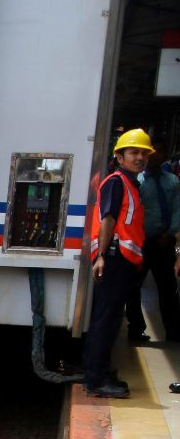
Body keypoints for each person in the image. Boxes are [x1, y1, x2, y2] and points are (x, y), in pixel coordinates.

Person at [84, 128, 153, 398]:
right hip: (113, 259)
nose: (140, 158)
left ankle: (100, 372)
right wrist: (101, 255)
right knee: (106, 319)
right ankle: (96, 379)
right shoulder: (116, 182)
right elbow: (108, 219)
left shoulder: (130, 183)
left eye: (144, 153)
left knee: (111, 319)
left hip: (122, 261)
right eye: (134, 152)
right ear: (120, 157)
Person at [125, 146, 180, 343]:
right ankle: (135, 328)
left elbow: (177, 210)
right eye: (151, 154)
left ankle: (173, 331)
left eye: (158, 154)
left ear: (163, 156)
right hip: (142, 241)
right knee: (133, 286)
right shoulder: (137, 181)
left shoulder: (173, 181)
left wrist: (170, 233)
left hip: (165, 241)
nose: (154, 157)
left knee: (168, 288)